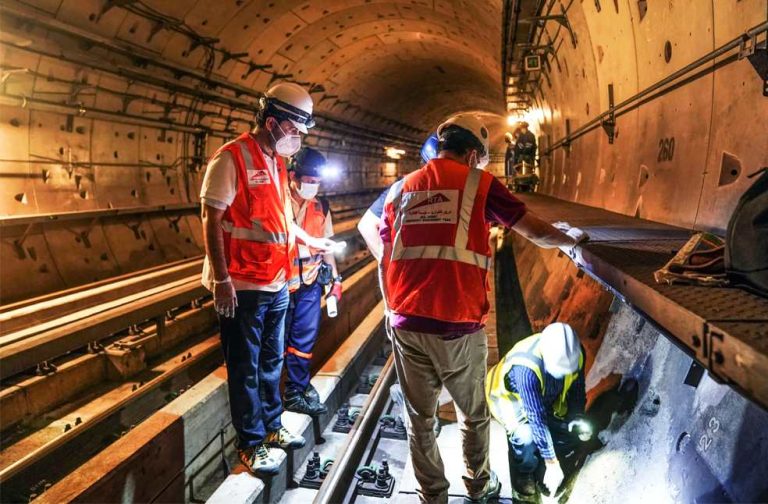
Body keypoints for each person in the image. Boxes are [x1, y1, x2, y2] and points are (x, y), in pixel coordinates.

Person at [378, 113, 587, 504]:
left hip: (406, 323)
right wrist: (571, 240)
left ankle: (432, 496)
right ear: (473, 154)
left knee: (419, 420)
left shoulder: (400, 189)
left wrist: (392, 308)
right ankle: (478, 487)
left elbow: (385, 254)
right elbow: (534, 230)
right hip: (456, 325)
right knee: (472, 416)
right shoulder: (479, 183)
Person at [200, 82, 337, 476]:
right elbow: (211, 218)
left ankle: (273, 425)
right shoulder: (231, 158)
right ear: (273, 123)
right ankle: (250, 443)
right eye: (294, 129)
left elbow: (281, 220)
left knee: (271, 361)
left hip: (275, 280)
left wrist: (310, 239)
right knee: (245, 366)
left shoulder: (276, 160)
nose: (297, 138)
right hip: (243, 283)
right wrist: (222, 280)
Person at [485, 323, 593, 499]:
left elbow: (577, 388)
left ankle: (545, 460)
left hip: (544, 394)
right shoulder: (526, 369)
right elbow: (536, 417)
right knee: (526, 437)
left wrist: (577, 415)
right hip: (511, 401)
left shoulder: (574, 353)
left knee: (570, 431)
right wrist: (551, 462)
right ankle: (524, 470)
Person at [283, 147, 342, 416]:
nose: (313, 186)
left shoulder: (321, 206)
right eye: (309, 180)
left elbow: (327, 245)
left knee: (303, 340)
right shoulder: (278, 200)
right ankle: (271, 395)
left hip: (309, 282)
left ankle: (296, 390)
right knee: (277, 342)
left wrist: (335, 280)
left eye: (317, 182)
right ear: (293, 176)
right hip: (281, 284)